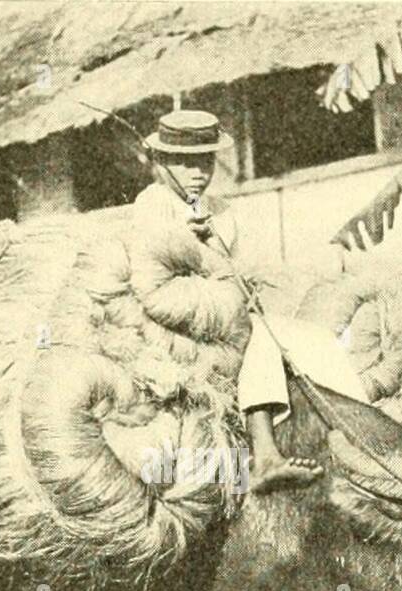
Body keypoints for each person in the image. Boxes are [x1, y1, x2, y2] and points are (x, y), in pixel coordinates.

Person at [134, 109, 368, 492]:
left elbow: (241, 269)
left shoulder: (223, 211)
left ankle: (361, 436)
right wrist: (182, 237)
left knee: (313, 338)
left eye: (205, 162)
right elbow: (150, 267)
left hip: (229, 313)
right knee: (258, 339)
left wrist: (249, 287)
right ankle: (265, 454)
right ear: (163, 162)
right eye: (186, 163)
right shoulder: (153, 204)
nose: (198, 173)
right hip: (178, 324)